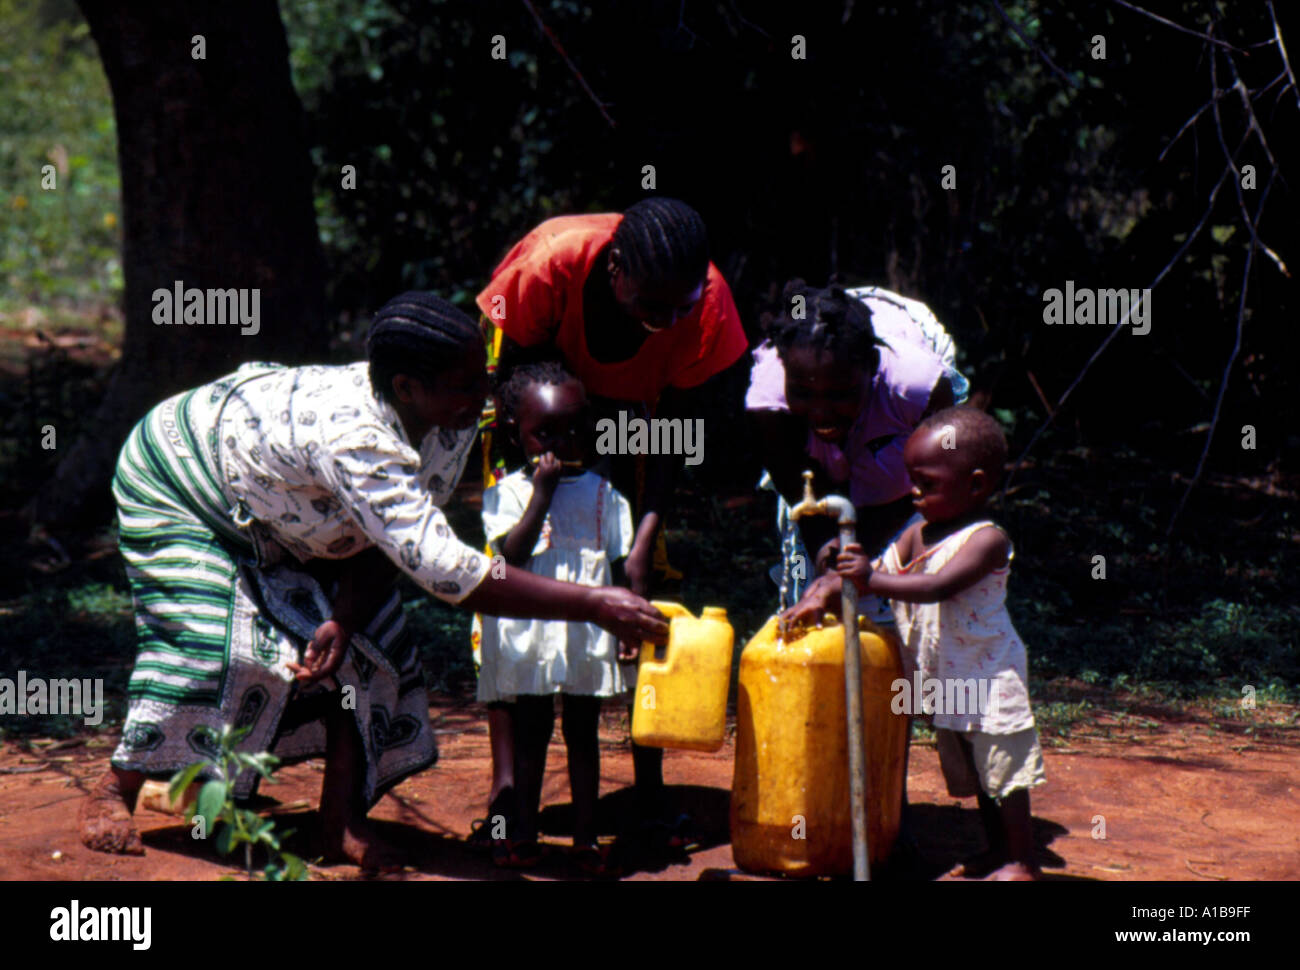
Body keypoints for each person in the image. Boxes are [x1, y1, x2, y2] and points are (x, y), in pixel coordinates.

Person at [78, 291, 667, 872]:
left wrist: (346, 614)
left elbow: (392, 540)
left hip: (290, 513)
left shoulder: (452, 414)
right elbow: (445, 570)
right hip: (181, 481)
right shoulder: (357, 439)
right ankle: (115, 788)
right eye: (464, 385)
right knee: (216, 648)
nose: (481, 397)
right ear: (408, 387)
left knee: (373, 652)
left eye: (481, 378)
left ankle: (339, 824)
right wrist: (593, 603)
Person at [473, 197, 747, 844]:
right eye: (653, 305)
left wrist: (639, 549)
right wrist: (538, 503)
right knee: (511, 602)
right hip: (540, 403)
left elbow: (675, 438)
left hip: (636, 421)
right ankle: (507, 789)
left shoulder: (706, 301)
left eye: (681, 306)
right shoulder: (549, 265)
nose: (669, 320)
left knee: (640, 605)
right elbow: (515, 396)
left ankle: (649, 794)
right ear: (617, 269)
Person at [787, 406, 1045, 880]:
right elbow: (877, 572)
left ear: (976, 484)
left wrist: (871, 579)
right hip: (947, 677)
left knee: (1004, 774)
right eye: (912, 480)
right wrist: (825, 588)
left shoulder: (986, 540)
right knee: (979, 772)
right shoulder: (916, 534)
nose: (914, 491)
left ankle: (1022, 860)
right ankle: (997, 849)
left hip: (989, 678)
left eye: (927, 482)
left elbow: (935, 586)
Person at [475, 361, 634, 875]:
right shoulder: (506, 494)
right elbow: (512, 557)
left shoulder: (604, 495)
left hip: (584, 635)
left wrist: (630, 624)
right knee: (532, 730)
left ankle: (586, 839)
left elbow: (619, 566)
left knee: (584, 732)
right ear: (515, 434)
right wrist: (541, 495)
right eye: (546, 433)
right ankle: (524, 832)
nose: (562, 442)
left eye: (573, 428)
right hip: (531, 633)